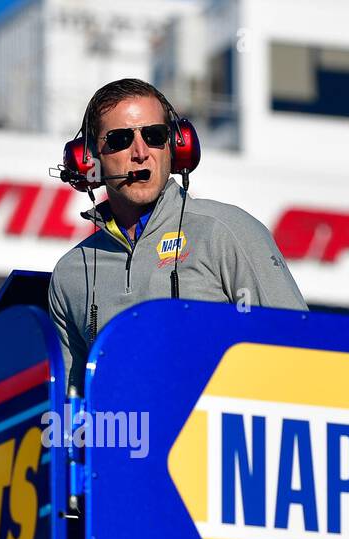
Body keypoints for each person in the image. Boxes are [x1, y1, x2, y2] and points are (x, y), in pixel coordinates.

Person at [47, 77, 307, 394]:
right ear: (88, 161)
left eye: (155, 136)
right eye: (119, 140)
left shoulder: (227, 231)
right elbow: (71, 404)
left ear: (177, 148)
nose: (141, 153)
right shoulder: (70, 273)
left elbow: (298, 352)